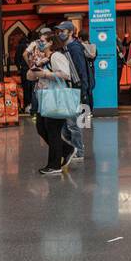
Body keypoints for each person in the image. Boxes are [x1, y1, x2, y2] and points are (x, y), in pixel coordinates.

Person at [28, 31, 75, 175]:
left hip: (55, 97)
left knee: (52, 131)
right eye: (39, 41)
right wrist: (36, 68)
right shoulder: (43, 58)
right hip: (44, 99)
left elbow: (65, 74)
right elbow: (30, 76)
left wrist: (45, 74)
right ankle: (67, 149)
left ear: (51, 43)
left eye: (43, 41)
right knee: (42, 128)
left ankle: (54, 165)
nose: (40, 43)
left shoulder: (56, 56)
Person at [56, 20, 88, 162]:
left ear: (70, 32)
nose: (60, 33)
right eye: (59, 31)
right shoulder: (67, 47)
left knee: (72, 124)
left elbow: (81, 70)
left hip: (74, 88)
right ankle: (74, 147)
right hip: (70, 88)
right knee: (67, 124)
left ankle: (78, 151)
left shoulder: (74, 48)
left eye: (63, 31)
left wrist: (82, 90)